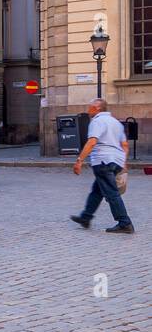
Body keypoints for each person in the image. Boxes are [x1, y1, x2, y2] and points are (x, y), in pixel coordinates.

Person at [70, 100, 134, 234]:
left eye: (90, 108)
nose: (88, 111)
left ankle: (124, 223)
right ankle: (86, 217)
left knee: (111, 193)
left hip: (103, 160)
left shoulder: (97, 121)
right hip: (116, 160)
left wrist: (79, 160)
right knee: (97, 190)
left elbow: (92, 141)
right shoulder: (116, 122)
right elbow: (125, 145)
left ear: (96, 109)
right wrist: (123, 162)